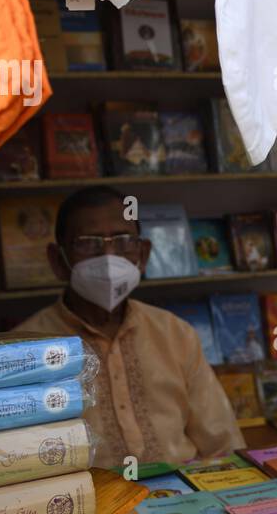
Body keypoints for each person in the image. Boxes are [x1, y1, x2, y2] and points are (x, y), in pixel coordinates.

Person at [17, 186, 245, 469]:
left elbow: (223, 444)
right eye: (89, 243)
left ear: (143, 254)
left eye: (124, 241)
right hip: (89, 504)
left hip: (184, 496)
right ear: (57, 261)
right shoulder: (25, 350)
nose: (110, 257)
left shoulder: (175, 333)